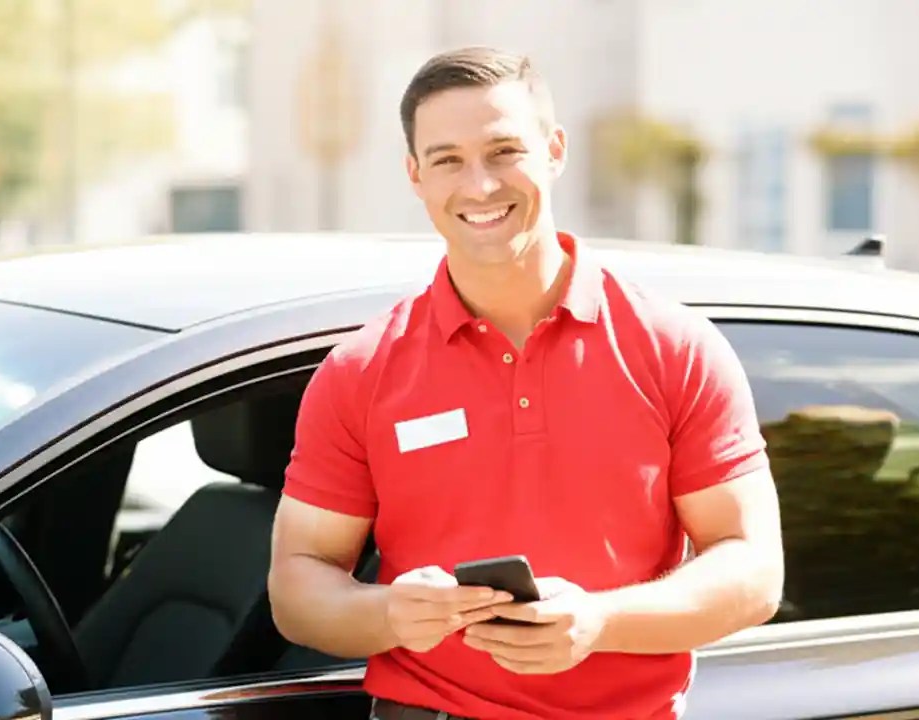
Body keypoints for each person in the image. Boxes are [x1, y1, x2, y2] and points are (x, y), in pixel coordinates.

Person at [267, 46, 784, 720]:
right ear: (415, 175)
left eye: (504, 150)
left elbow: (752, 570)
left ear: (554, 150)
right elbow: (297, 588)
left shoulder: (674, 349)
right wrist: (387, 613)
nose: (479, 186)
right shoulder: (361, 371)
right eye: (447, 159)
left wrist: (599, 621)